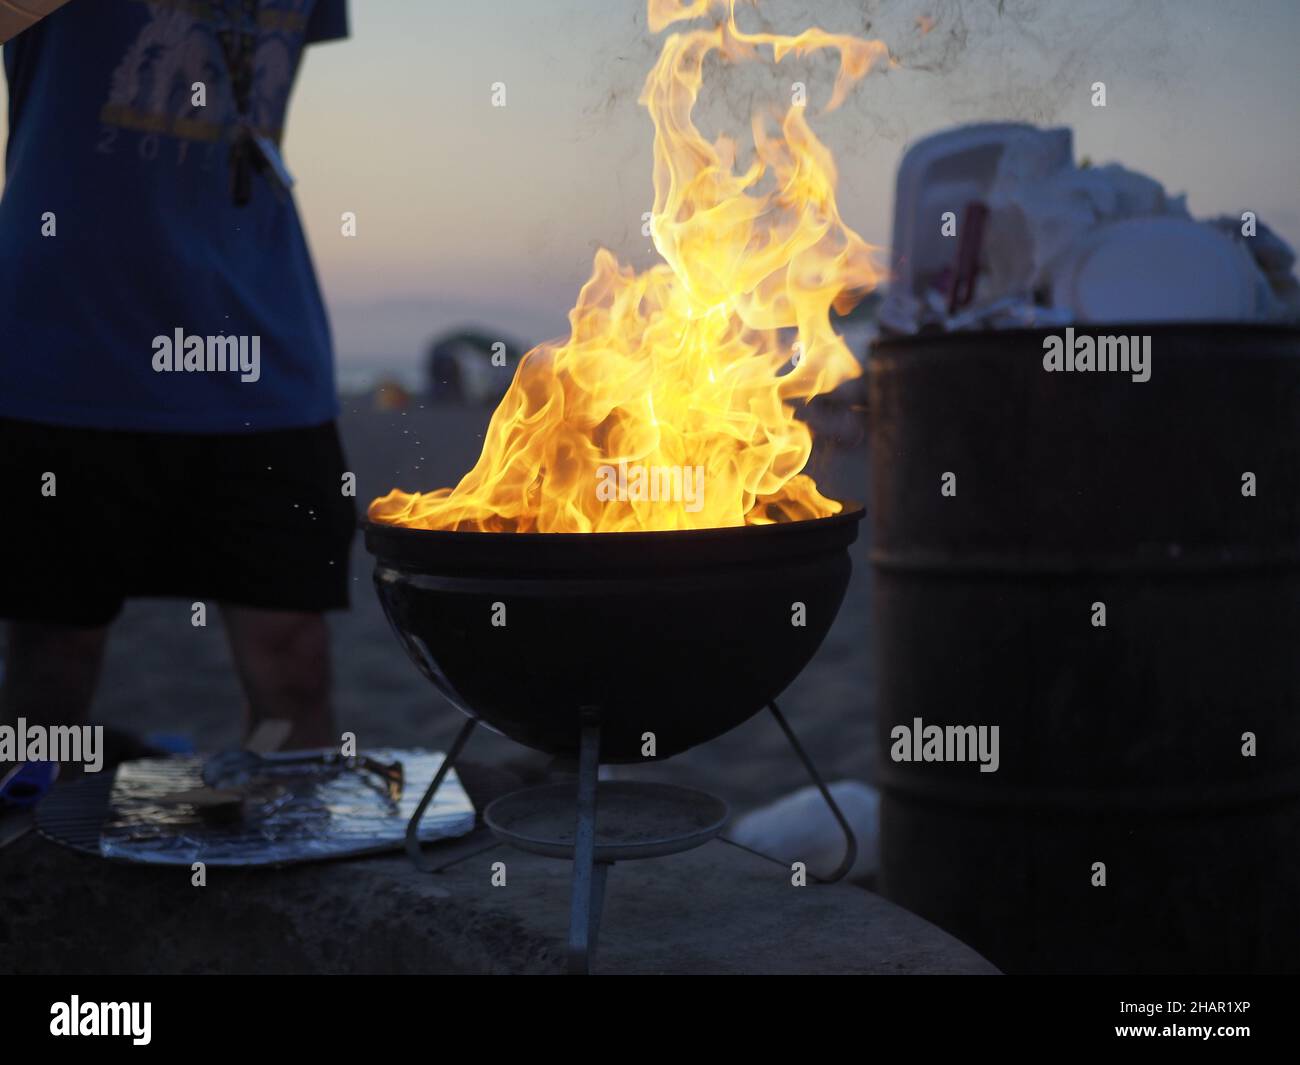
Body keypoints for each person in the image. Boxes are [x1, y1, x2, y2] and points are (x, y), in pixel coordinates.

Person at [0, 0, 355, 753]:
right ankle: (32, 861)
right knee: (52, 660)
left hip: (263, 350)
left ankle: (294, 859)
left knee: (294, 657)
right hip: (68, 353)